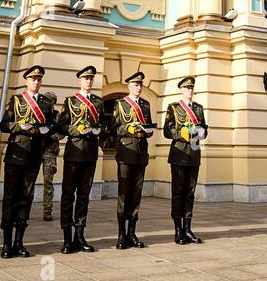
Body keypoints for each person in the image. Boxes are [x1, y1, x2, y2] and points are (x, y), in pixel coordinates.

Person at [0, 65, 55, 258]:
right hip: (16, 154)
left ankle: (19, 241)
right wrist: (19, 125)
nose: (36, 82)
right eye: (33, 79)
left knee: (26, 198)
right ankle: (6, 243)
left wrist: (46, 129)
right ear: (26, 81)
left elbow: (52, 125)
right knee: (10, 198)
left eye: (39, 79)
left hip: (33, 156)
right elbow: (4, 124)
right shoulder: (16, 100)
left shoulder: (46, 103)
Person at [56, 65, 105, 254]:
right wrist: (78, 130)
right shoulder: (71, 101)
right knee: (68, 195)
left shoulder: (98, 103)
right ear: (80, 81)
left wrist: (99, 130)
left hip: (90, 153)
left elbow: (104, 125)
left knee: (84, 196)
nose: (89, 81)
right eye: (86, 78)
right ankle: (67, 238)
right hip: (74, 152)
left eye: (91, 79)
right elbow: (61, 127)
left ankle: (80, 235)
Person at [111, 71, 154, 248]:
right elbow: (114, 128)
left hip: (140, 154)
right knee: (124, 195)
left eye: (140, 85)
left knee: (136, 196)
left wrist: (147, 131)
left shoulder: (145, 104)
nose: (139, 87)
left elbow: (149, 125)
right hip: (126, 153)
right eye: (136, 85)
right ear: (129, 86)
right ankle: (121, 234)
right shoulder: (120, 104)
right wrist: (129, 129)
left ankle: (132, 233)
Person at [163, 76, 207, 245]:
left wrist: (201, 132)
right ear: (181, 90)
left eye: (191, 88)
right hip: (179, 153)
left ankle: (188, 229)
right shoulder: (173, 108)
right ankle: (177, 229)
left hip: (194, 152)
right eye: (187, 88)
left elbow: (204, 130)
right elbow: (167, 131)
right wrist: (180, 133)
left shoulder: (198, 108)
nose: (190, 90)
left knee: (190, 193)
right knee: (178, 192)